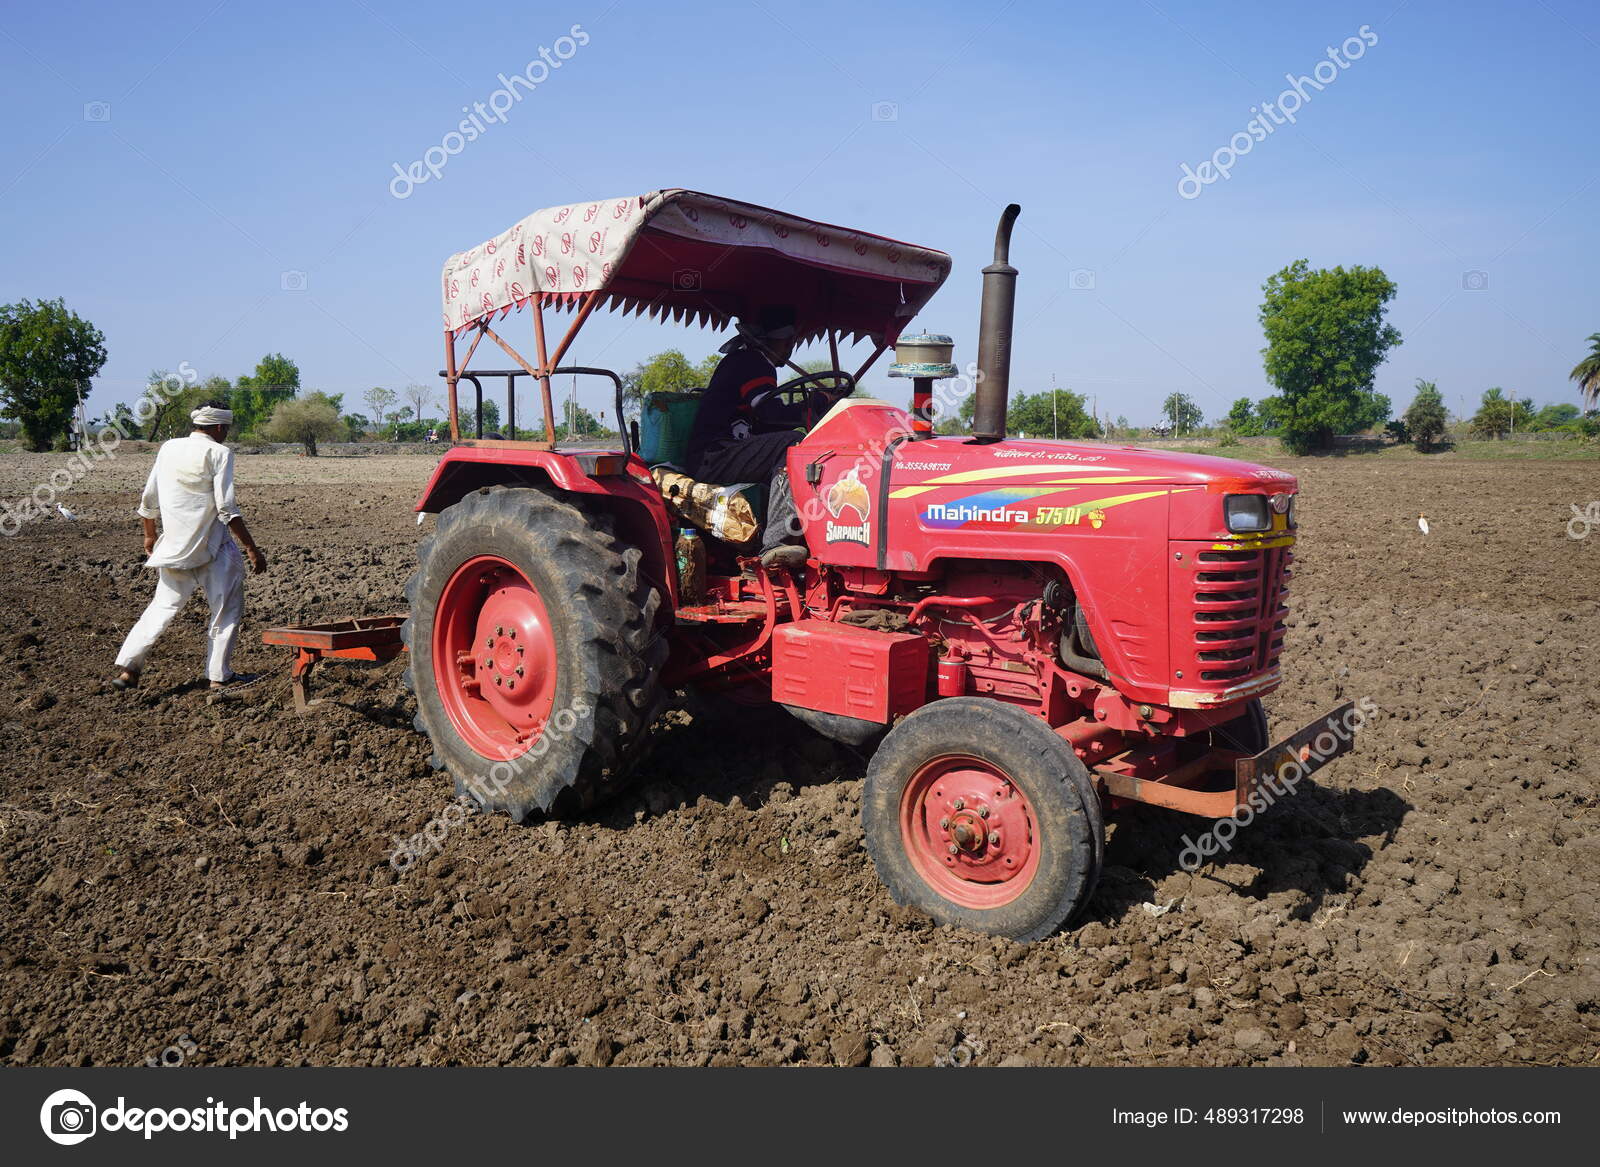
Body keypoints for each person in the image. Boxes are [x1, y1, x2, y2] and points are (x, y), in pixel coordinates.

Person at [110, 403, 268, 692]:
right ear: (220, 428)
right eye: (227, 429)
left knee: (161, 607)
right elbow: (227, 508)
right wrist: (252, 548)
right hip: (213, 549)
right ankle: (219, 677)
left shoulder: (168, 447)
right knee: (225, 610)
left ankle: (128, 670)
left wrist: (149, 536)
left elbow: (149, 496)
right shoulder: (220, 453)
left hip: (173, 548)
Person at [685, 306, 821, 568]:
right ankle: (776, 545)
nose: (789, 348)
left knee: (797, 444)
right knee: (792, 443)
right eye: (788, 342)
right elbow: (770, 412)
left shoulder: (747, 362)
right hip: (714, 455)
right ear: (778, 341)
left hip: (726, 453)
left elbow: (763, 423)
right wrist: (812, 405)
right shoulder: (753, 363)